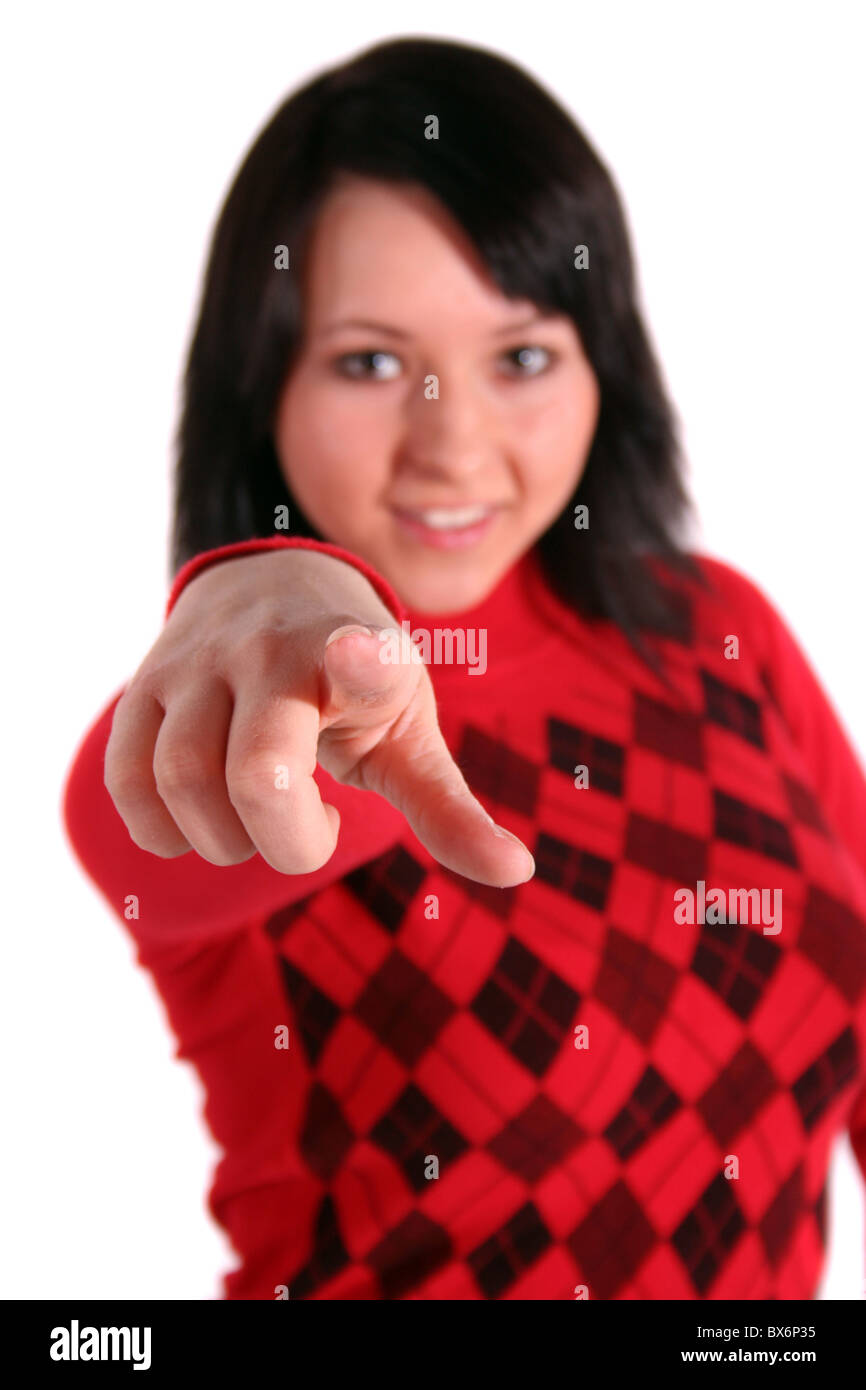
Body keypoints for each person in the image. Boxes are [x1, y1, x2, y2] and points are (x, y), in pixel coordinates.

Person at [62, 35, 866, 1300]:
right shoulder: (236, 738)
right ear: (259, 385)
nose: (454, 443)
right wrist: (282, 597)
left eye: (524, 355)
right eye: (370, 362)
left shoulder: (723, 632)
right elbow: (145, 806)